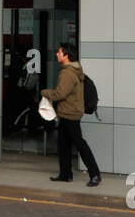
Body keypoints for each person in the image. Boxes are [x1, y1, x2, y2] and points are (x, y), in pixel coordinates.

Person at [41, 42, 101, 186]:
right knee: (63, 145)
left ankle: (95, 174)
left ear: (66, 56)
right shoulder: (74, 70)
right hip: (68, 112)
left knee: (79, 144)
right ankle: (65, 174)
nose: (57, 54)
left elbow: (60, 94)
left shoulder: (67, 73)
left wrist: (44, 92)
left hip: (70, 114)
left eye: (59, 52)